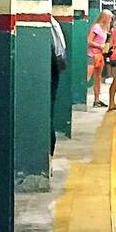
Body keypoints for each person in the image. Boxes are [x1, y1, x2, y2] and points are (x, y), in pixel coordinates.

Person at [50, 14, 68, 158]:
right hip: (54, 69)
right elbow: (60, 49)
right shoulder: (53, 23)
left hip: (50, 69)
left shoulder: (49, 23)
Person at [86, 9, 113, 107]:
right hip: (92, 55)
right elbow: (89, 41)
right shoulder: (96, 27)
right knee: (88, 77)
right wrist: (99, 46)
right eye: (109, 18)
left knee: (98, 78)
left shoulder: (105, 29)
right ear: (105, 18)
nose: (110, 20)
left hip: (100, 56)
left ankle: (97, 100)